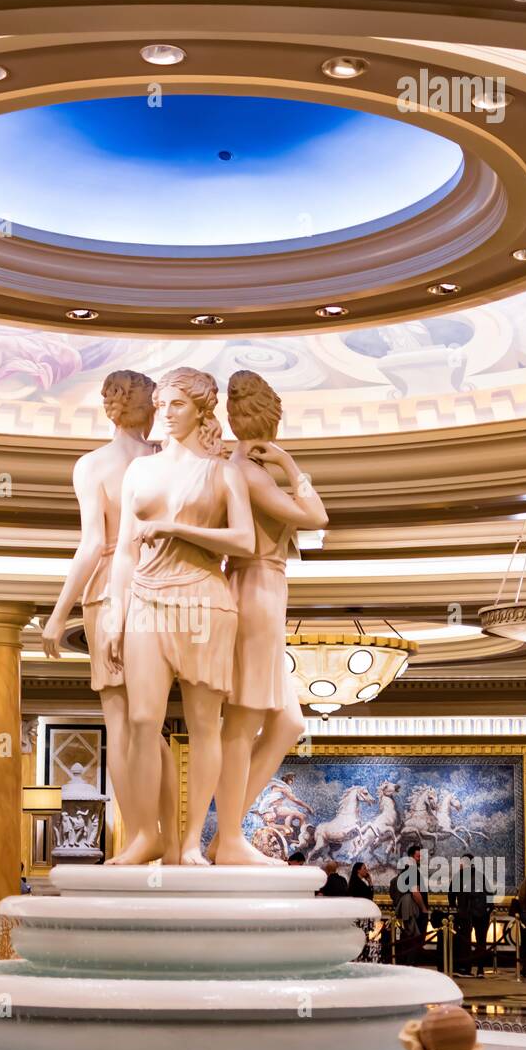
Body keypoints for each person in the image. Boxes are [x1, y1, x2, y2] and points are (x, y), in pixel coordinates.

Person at [106, 367, 255, 864]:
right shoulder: (140, 471)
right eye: (162, 405)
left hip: (204, 600)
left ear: (200, 410)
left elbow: (244, 541)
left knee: (204, 725)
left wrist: (177, 529)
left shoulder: (222, 470)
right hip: (146, 597)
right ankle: (145, 835)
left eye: (177, 406)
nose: (165, 414)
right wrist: (114, 612)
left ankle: (191, 842)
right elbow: (125, 551)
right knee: (143, 720)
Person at [42, 369, 179, 863]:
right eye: (151, 400)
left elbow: (91, 545)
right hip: (158, 589)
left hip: (114, 592)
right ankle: (167, 839)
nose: (157, 408)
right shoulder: (165, 461)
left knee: (123, 721)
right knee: (151, 724)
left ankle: (145, 835)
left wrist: (58, 614)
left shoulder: (98, 465)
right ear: (135, 404)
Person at [210, 370, 327, 865]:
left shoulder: (246, 469)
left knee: (288, 722)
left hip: (266, 591)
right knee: (242, 721)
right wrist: (291, 465)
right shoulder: (249, 472)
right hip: (253, 588)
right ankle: (228, 840)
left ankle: (227, 833)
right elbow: (317, 516)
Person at [452, 854, 492, 978]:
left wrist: (455, 906)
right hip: (482, 914)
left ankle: (466, 968)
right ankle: (480, 969)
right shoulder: (481, 876)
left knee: (465, 941)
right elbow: (490, 894)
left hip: (465, 913)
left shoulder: (459, 876)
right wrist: (487, 910)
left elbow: (451, 894)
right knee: (481, 942)